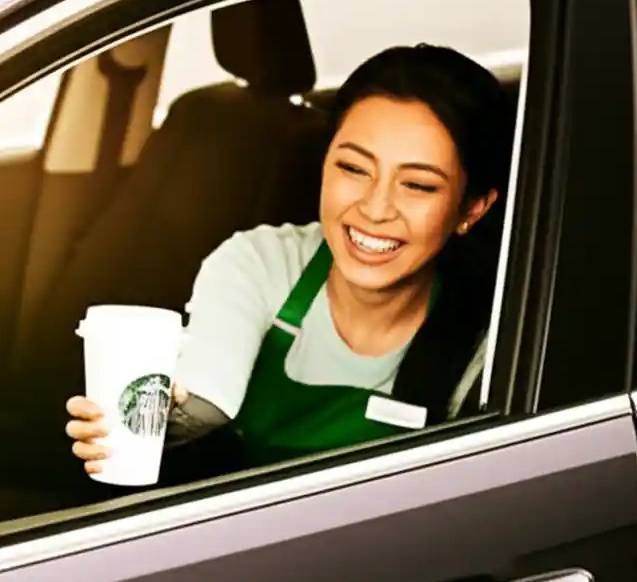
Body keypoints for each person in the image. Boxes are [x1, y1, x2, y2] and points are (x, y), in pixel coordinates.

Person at [66, 44, 514, 474]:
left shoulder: (491, 331)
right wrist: (142, 419)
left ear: (472, 208)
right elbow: (206, 394)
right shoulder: (261, 263)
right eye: (353, 169)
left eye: (417, 185)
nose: (376, 209)